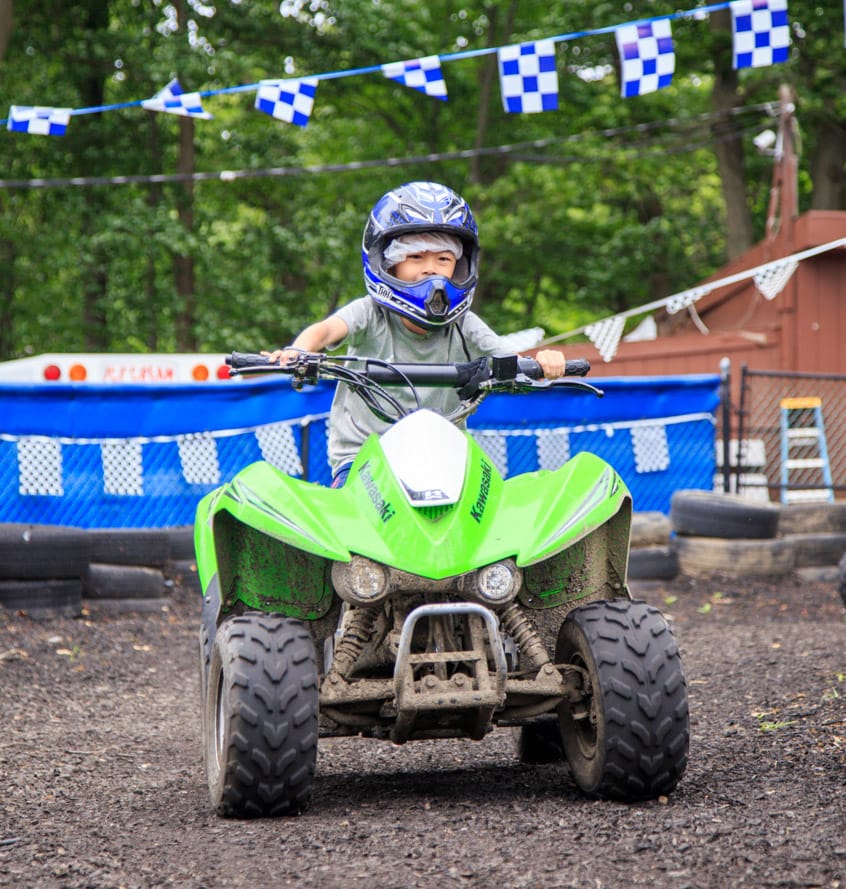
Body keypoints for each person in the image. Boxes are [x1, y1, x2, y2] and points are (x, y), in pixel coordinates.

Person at [267, 180, 565, 486]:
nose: (430, 269)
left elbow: (505, 358)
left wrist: (542, 363)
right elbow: (326, 330)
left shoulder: (464, 324)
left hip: (444, 460)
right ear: (389, 263)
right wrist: (299, 352)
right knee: (345, 520)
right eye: (416, 257)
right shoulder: (371, 313)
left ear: (461, 266)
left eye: (443, 259)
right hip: (364, 461)